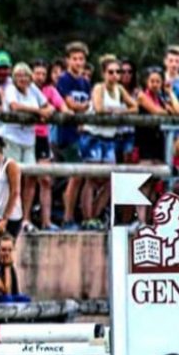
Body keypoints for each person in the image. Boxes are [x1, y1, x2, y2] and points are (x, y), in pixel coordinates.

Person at [80, 55, 137, 230]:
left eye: (117, 72)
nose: (114, 75)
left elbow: (134, 107)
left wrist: (118, 111)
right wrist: (119, 110)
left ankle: (95, 215)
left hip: (109, 138)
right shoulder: (99, 88)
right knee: (91, 179)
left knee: (110, 179)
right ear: (104, 73)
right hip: (93, 137)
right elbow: (98, 108)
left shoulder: (120, 89)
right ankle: (87, 217)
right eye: (111, 72)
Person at [55, 41, 92, 230]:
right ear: (68, 60)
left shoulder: (85, 82)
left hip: (84, 134)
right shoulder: (64, 79)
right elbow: (70, 103)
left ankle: (83, 216)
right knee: (75, 176)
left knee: (83, 176)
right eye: (75, 58)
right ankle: (67, 217)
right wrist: (87, 108)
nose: (78, 62)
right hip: (68, 135)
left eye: (81, 59)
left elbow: (87, 104)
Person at [27, 59, 67, 232]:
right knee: (28, 179)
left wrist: (55, 111)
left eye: (44, 74)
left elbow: (61, 106)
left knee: (45, 179)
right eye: (37, 73)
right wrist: (40, 112)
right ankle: (25, 219)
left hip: (43, 138)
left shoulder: (50, 90)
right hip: (26, 137)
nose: (40, 77)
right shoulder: (25, 90)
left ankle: (46, 221)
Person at [0, 62, 52, 165]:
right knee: (14, 171)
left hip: (29, 138)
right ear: (14, 77)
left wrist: (47, 113)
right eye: (18, 76)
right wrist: (39, 111)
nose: (22, 79)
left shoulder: (32, 88)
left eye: (25, 76)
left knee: (30, 172)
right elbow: (15, 106)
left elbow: (46, 104)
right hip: (11, 137)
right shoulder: (10, 89)